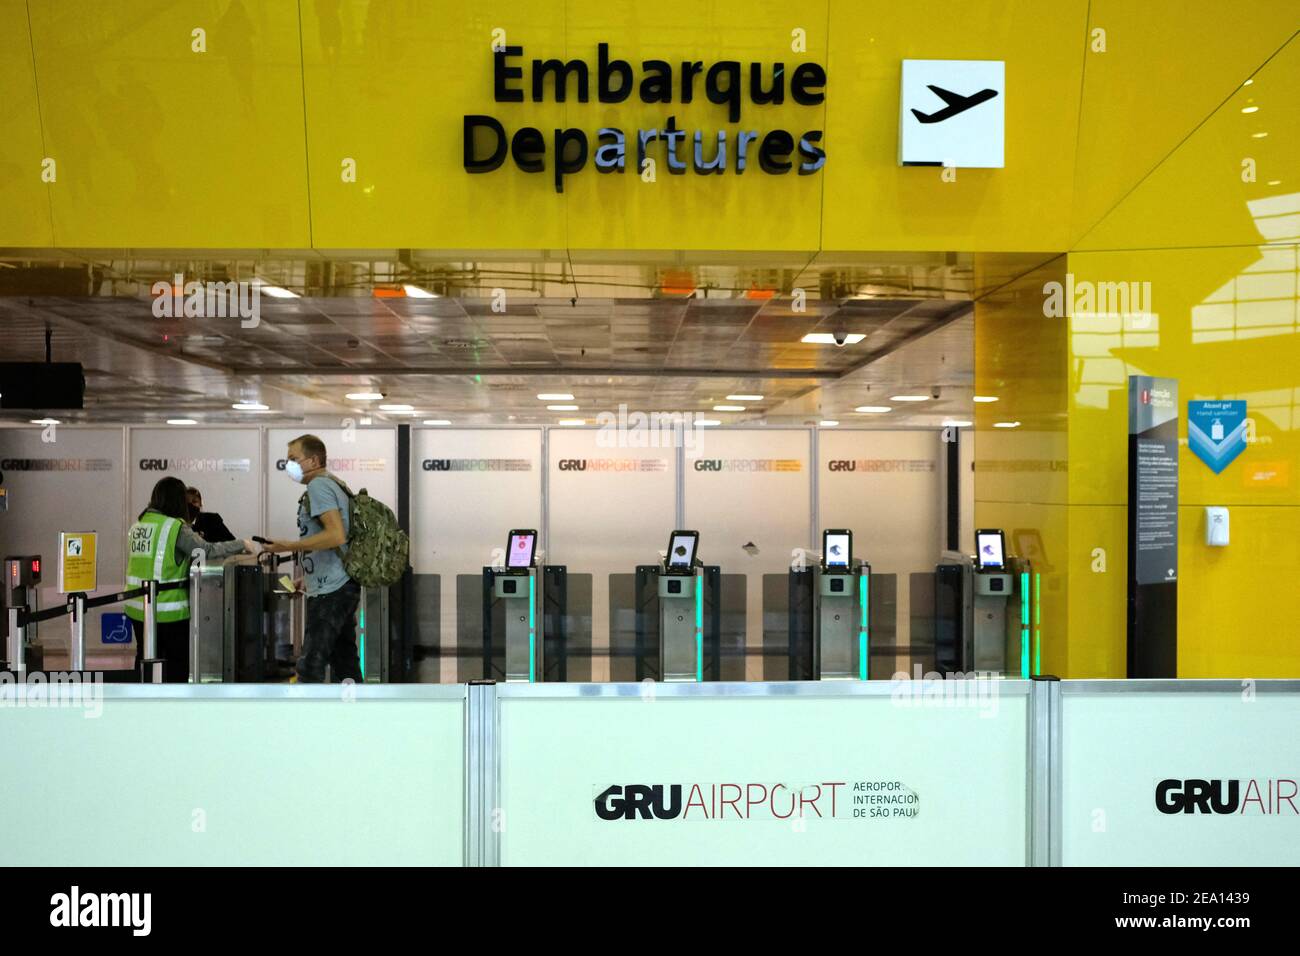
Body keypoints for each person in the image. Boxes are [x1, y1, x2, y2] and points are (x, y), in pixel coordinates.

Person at [125, 476, 254, 681]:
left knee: (146, 658)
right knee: (177, 664)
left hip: (137, 607)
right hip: (168, 610)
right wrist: (243, 544)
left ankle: (144, 700)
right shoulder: (174, 527)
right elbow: (207, 549)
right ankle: (175, 707)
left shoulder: (139, 524)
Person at [260, 434, 361, 683]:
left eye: (294, 459)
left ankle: (304, 718)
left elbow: (336, 535)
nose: (289, 465)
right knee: (344, 661)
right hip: (337, 584)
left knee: (311, 664)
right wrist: (307, 579)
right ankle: (355, 715)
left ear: (314, 460)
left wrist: (288, 545)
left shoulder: (319, 486)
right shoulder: (333, 483)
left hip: (332, 591)